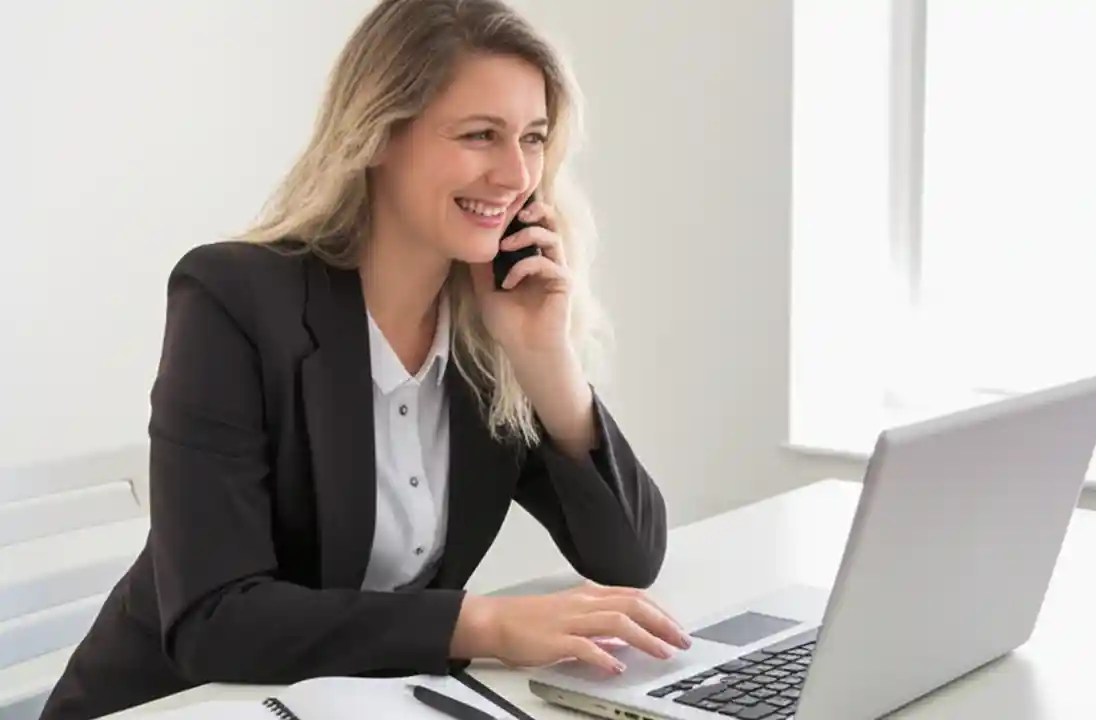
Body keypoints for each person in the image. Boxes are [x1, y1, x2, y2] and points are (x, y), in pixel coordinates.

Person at [40, 2, 686, 718]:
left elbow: (628, 559)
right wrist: (482, 623)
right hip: (171, 707)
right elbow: (215, 619)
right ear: (379, 135)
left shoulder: (484, 334)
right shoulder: (235, 300)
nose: (515, 174)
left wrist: (546, 358)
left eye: (533, 139)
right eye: (480, 135)